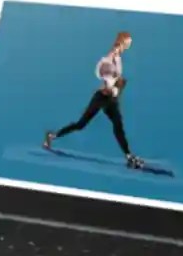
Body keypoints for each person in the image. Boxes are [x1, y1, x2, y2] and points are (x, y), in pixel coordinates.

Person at [44, 31, 145, 169]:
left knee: (118, 126)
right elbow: (103, 73)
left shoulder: (118, 58)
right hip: (101, 97)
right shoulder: (112, 56)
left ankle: (128, 157)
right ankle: (52, 136)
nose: (129, 45)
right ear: (123, 42)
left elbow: (115, 78)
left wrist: (118, 87)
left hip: (111, 99)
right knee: (81, 124)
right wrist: (111, 85)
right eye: (128, 43)